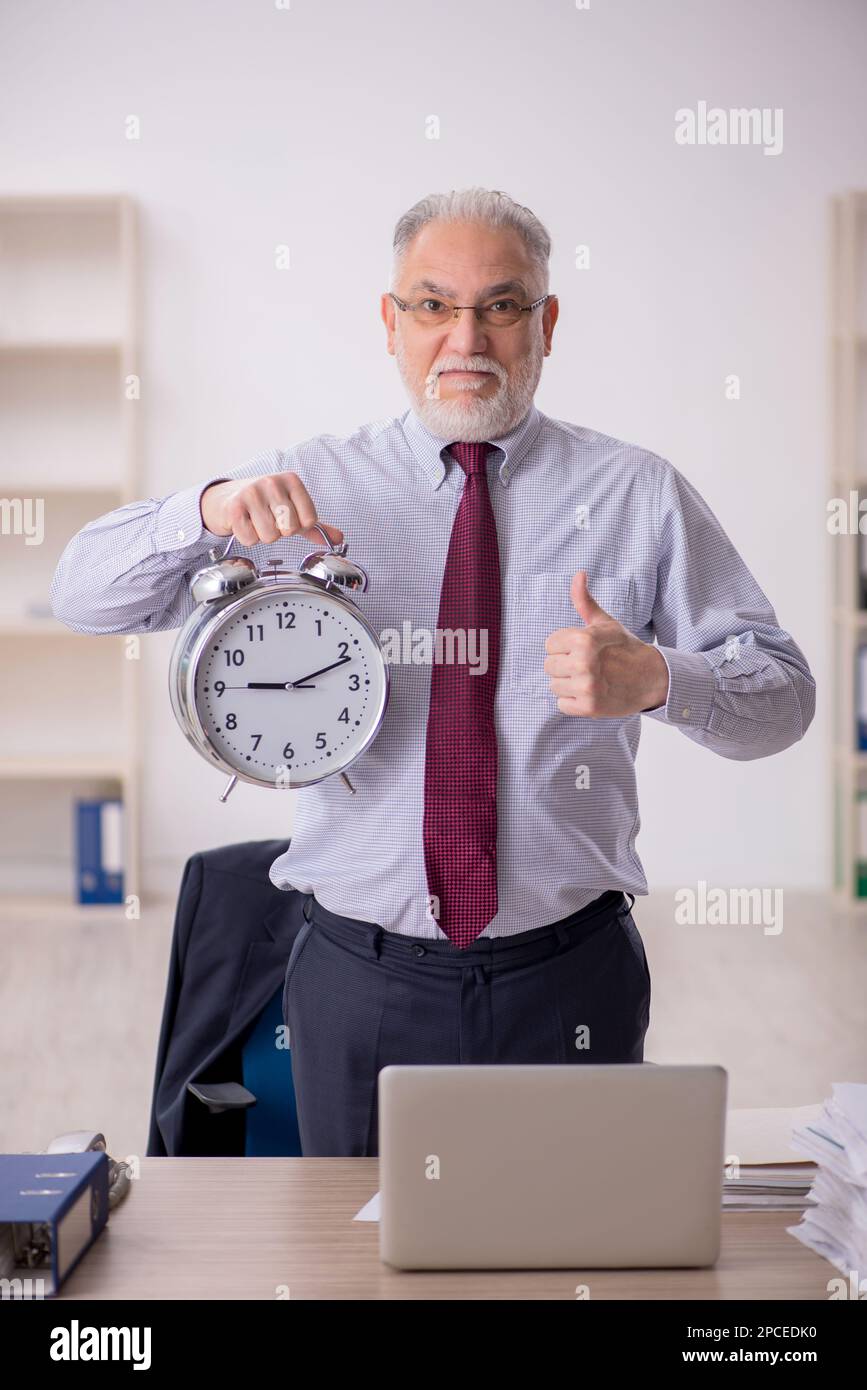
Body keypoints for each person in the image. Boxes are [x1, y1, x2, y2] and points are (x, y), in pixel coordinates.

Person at [51, 187, 816, 1156]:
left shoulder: (639, 493)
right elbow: (83, 596)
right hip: (359, 976)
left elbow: (784, 700)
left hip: (571, 973)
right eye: (432, 305)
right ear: (390, 322)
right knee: (359, 1267)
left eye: (500, 305)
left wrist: (663, 678)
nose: (468, 337)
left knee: (571, 1251)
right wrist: (202, 506)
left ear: (545, 322)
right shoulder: (304, 488)